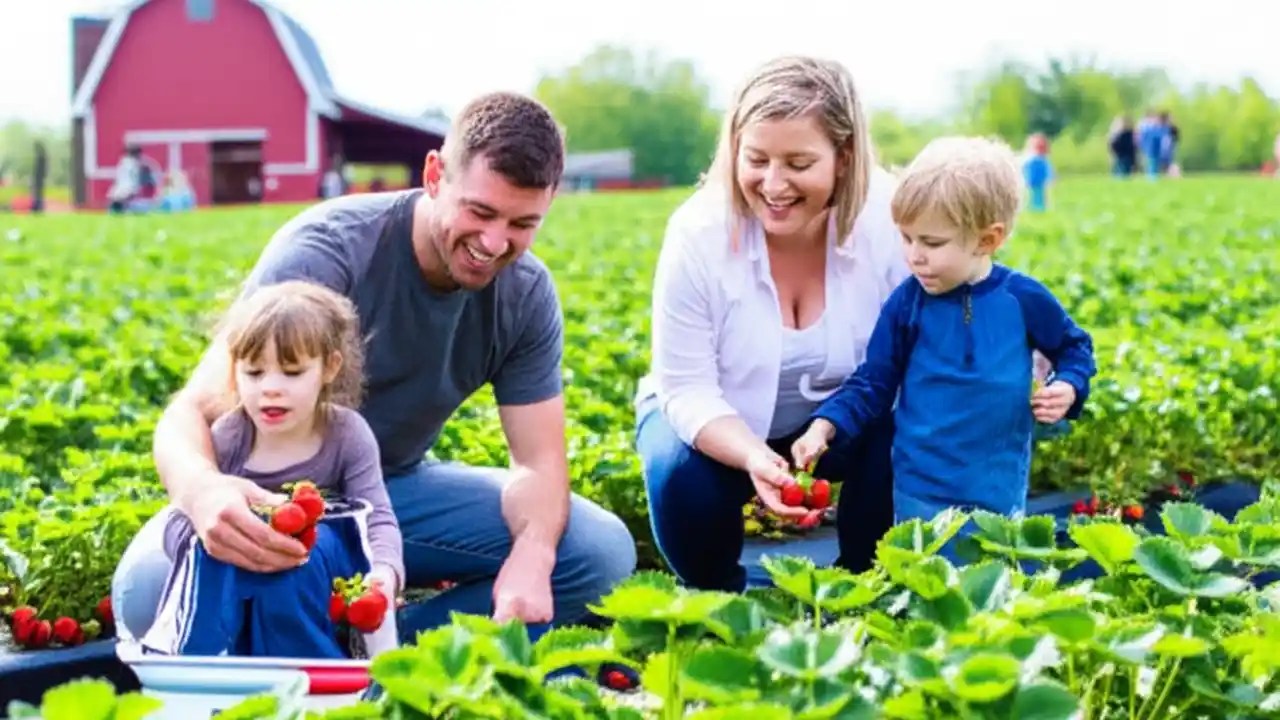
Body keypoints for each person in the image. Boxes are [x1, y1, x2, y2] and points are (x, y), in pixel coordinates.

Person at [111, 91, 637, 646]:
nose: (494, 242)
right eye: (479, 212)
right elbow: (189, 413)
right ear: (435, 175)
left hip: (389, 490)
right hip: (264, 494)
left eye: (522, 224)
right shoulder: (326, 253)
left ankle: (386, 652)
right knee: (145, 595)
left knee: (597, 554)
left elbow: (538, 461)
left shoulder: (525, 294)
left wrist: (533, 557)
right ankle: (301, 638)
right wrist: (203, 493)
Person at [633, 54, 911, 592]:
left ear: (845, 156)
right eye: (756, 159)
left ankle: (866, 587)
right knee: (679, 474)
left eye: (799, 164)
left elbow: (928, 344)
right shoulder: (698, 233)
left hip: (845, 423)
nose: (774, 183)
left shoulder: (890, 218)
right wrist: (754, 456)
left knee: (905, 439)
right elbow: (687, 389)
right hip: (719, 418)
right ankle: (717, 599)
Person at [790, 136, 1097, 559]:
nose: (914, 256)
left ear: (988, 239)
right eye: (907, 238)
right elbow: (873, 383)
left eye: (932, 243)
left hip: (998, 485)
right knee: (928, 588)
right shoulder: (907, 304)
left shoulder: (1023, 300)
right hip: (918, 488)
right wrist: (825, 425)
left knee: (993, 588)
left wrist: (1069, 385)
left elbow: (1074, 348)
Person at [139, 280, 401, 659]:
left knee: (316, 543)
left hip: (316, 583)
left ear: (329, 368)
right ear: (235, 370)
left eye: (292, 373)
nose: (270, 389)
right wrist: (217, 534)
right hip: (236, 576)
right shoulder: (230, 437)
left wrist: (384, 572)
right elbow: (183, 515)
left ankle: (313, 669)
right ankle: (202, 663)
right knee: (209, 550)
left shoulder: (346, 435)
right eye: (254, 373)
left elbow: (376, 517)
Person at [1021, 133, 1053, 212]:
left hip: (1040, 183)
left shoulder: (1043, 160)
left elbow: (1048, 170)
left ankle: (1039, 208)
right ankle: (1032, 208)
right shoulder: (1029, 159)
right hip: (1030, 182)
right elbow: (1023, 169)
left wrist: (1050, 178)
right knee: (1030, 196)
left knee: (1040, 196)